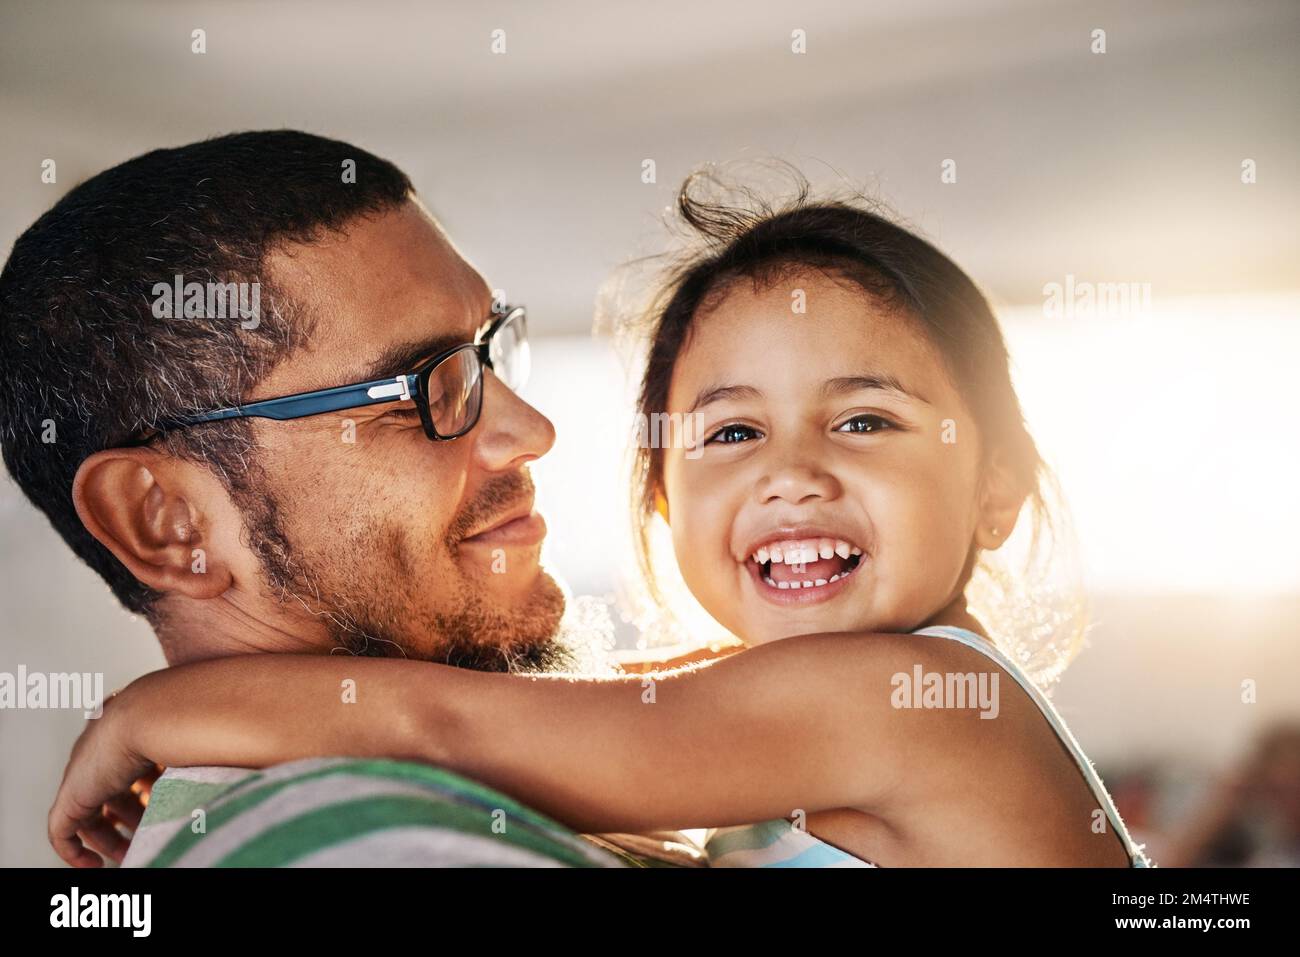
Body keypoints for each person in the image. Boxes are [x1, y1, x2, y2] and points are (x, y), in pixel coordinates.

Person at [46, 167, 1153, 867]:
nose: (793, 475)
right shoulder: (808, 698)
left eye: (864, 421)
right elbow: (606, 708)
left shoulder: (909, 704)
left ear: (997, 488)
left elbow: (454, 726)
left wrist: (155, 714)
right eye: (729, 433)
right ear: (666, 504)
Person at [2, 129, 703, 868]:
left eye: (483, 352)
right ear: (166, 524)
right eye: (416, 387)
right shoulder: (366, 846)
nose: (532, 430)